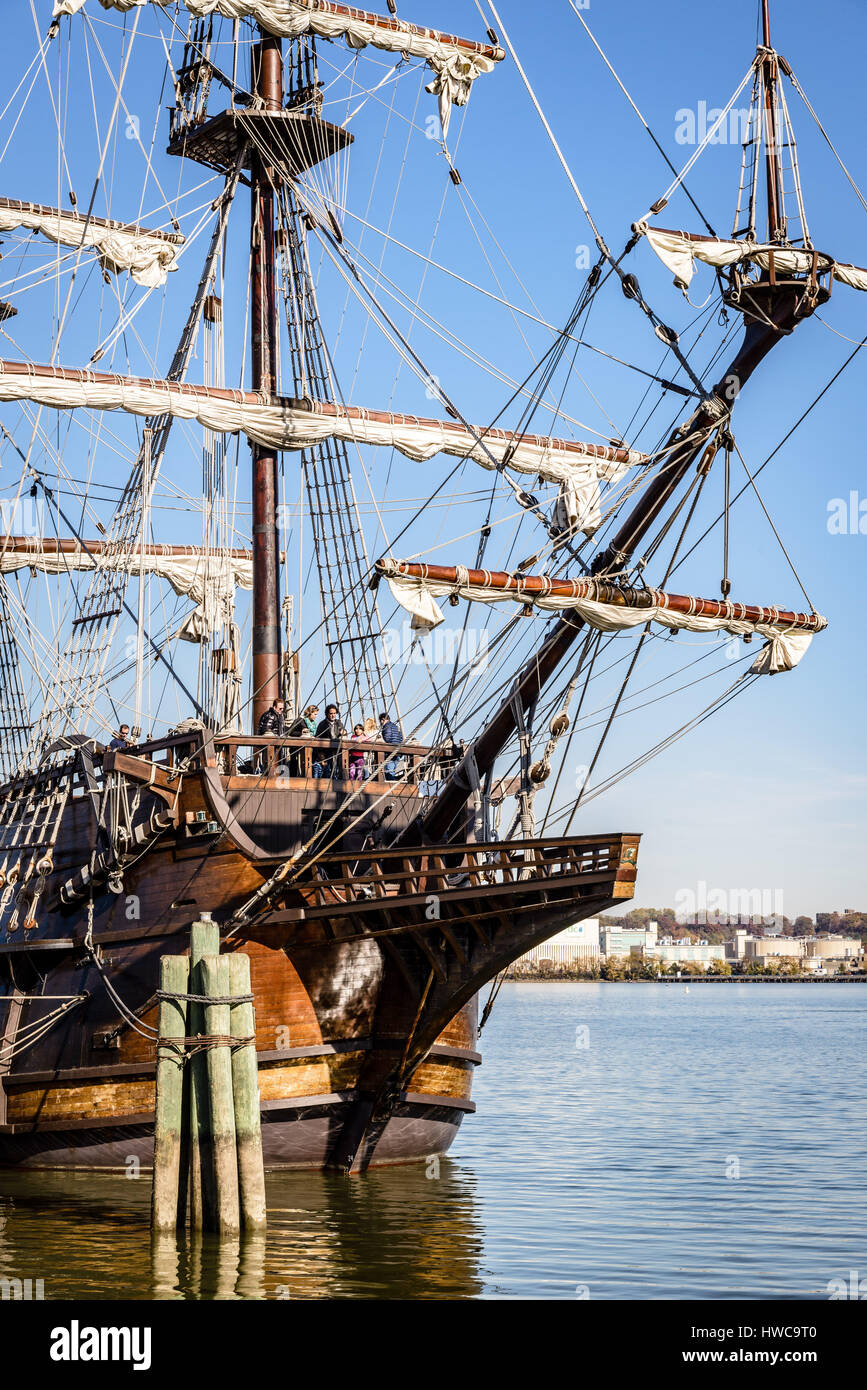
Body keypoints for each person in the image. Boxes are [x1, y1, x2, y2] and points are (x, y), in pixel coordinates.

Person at [314, 703, 345, 778]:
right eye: (331, 713)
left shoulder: (338, 722)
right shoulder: (323, 724)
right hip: (326, 751)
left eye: (334, 713)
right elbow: (317, 738)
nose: (333, 715)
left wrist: (344, 732)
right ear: (327, 714)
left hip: (336, 751)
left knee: (337, 769)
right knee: (327, 770)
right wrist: (321, 755)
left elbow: (343, 730)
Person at [379, 710, 403, 781]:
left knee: (388, 772)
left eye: (380, 721)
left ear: (383, 720)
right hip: (398, 752)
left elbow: (387, 738)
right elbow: (401, 738)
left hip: (390, 752)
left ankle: (393, 786)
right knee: (392, 771)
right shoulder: (396, 726)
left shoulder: (386, 726)